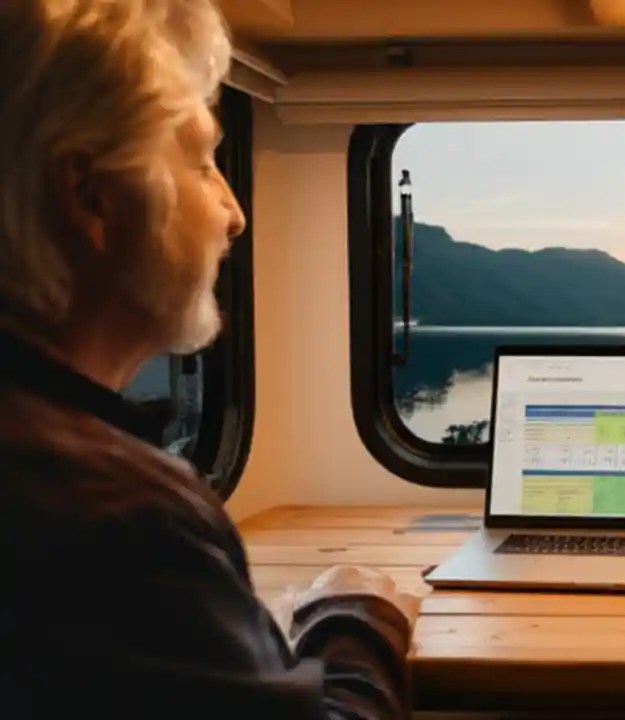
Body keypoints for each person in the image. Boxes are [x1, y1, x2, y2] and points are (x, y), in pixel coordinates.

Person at [0, 1, 421, 717]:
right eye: (200, 161)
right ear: (91, 195)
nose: (234, 213)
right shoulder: (117, 523)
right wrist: (355, 617)